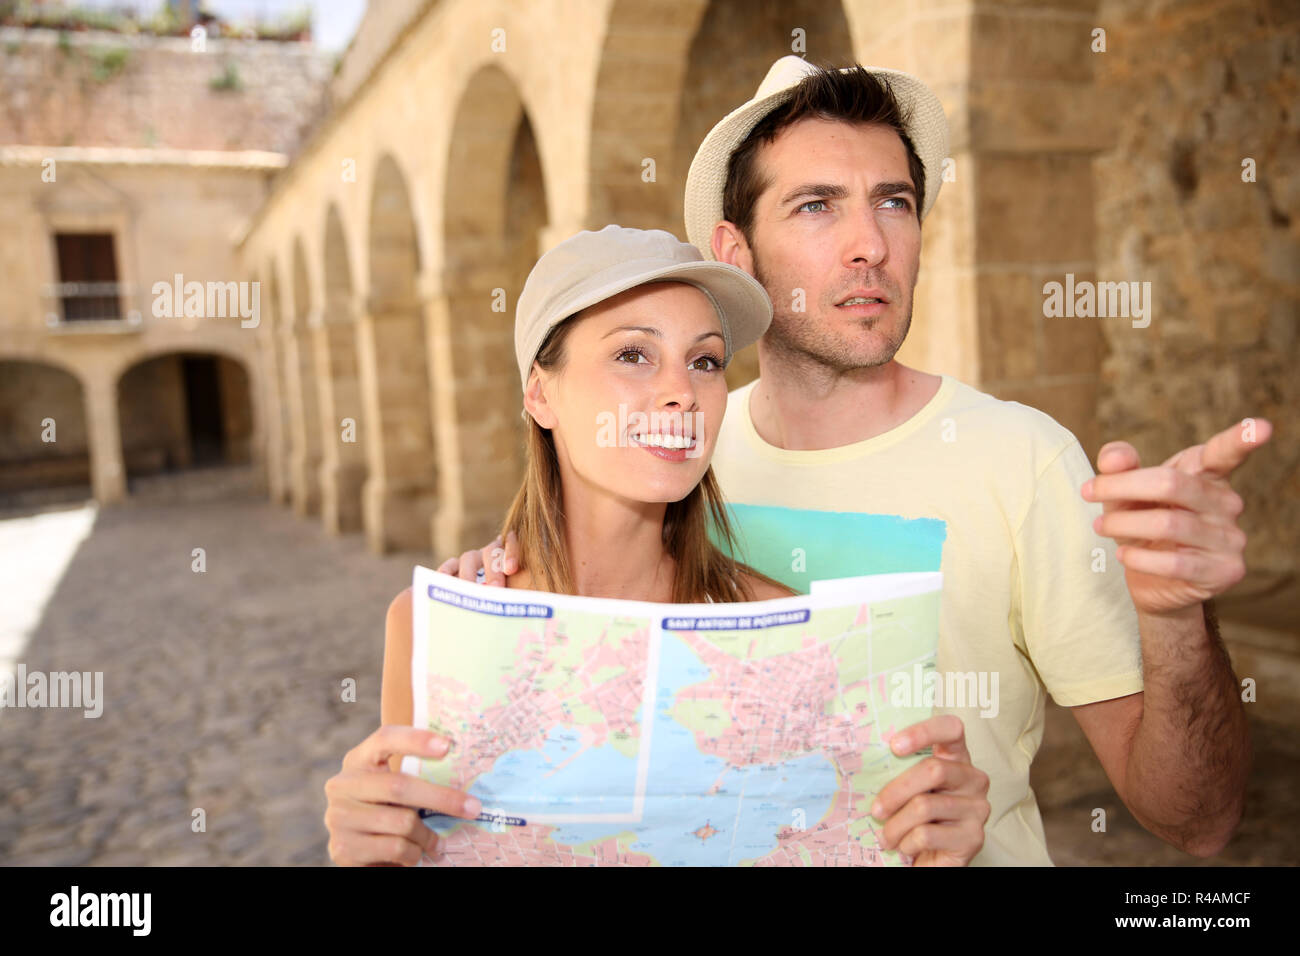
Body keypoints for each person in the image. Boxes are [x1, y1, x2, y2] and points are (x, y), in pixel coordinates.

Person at [465, 59, 1271, 865]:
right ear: (733, 251)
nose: (871, 245)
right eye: (816, 206)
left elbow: (1192, 819)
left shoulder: (1024, 460)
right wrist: (492, 600)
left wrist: (1175, 619)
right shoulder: (672, 457)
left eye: (896, 202)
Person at [323, 226, 993, 866]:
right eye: (633, 354)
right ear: (540, 392)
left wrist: (929, 848)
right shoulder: (439, 629)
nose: (683, 392)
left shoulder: (793, 631)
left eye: (704, 361)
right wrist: (373, 853)